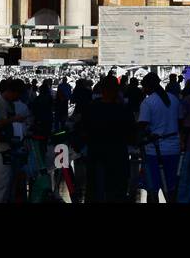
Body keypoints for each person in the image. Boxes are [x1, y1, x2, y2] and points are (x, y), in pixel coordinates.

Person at [76, 75, 134, 203]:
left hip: (96, 156)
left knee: (95, 191)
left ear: (101, 90)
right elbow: (131, 135)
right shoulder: (123, 110)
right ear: (117, 90)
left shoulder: (91, 108)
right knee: (116, 193)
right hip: (117, 157)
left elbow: (83, 130)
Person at [136, 72, 181, 202]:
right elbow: (180, 122)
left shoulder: (148, 102)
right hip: (173, 150)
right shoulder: (174, 99)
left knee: (152, 190)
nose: (143, 90)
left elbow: (142, 125)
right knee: (171, 189)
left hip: (154, 152)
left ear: (148, 87)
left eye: (144, 87)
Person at [0, 79, 29, 203]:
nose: (18, 98)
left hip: (10, 146)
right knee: (1, 182)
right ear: (12, 92)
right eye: (18, 95)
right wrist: (14, 119)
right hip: (1, 147)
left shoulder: (9, 103)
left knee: (8, 182)